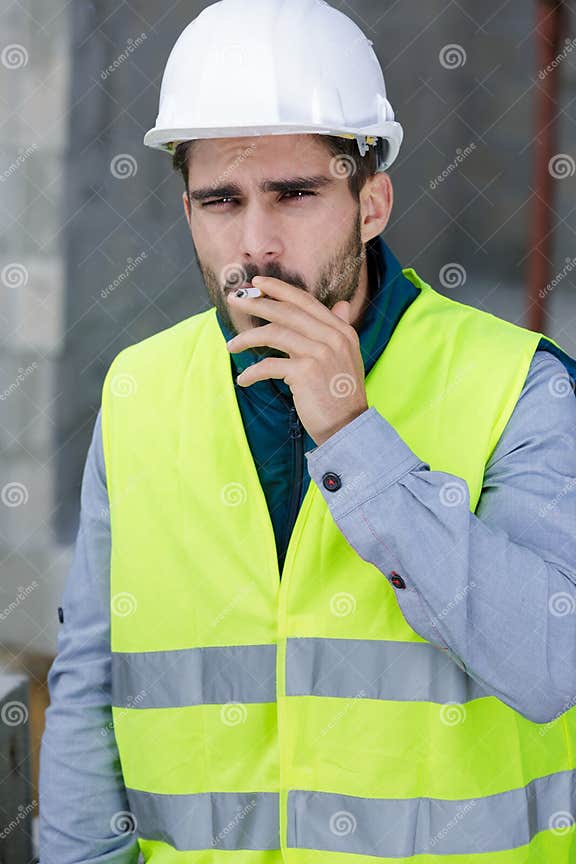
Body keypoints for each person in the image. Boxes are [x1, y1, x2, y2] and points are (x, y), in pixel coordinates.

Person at [39, 0, 576, 861]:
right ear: (187, 214)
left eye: (294, 194)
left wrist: (356, 436)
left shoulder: (521, 386)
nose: (255, 244)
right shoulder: (138, 389)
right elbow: (91, 684)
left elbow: (551, 665)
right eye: (221, 201)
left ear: (372, 202)